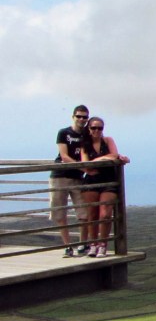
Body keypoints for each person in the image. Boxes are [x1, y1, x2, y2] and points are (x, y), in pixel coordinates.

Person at [78, 117, 129, 258]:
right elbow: (86, 164)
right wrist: (104, 159)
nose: (96, 131)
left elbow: (113, 155)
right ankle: (93, 244)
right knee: (92, 215)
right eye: (93, 128)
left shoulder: (108, 141)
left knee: (105, 214)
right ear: (88, 129)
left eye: (99, 128)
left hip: (109, 181)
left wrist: (97, 160)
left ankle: (102, 244)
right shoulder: (85, 145)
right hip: (91, 181)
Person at [54, 105, 90, 256]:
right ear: (73, 117)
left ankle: (83, 245)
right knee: (60, 213)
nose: (81, 119)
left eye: (84, 117)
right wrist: (84, 168)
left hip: (77, 178)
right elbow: (64, 156)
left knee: (83, 213)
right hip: (60, 176)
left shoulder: (87, 135)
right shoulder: (64, 132)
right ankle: (67, 246)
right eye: (79, 116)